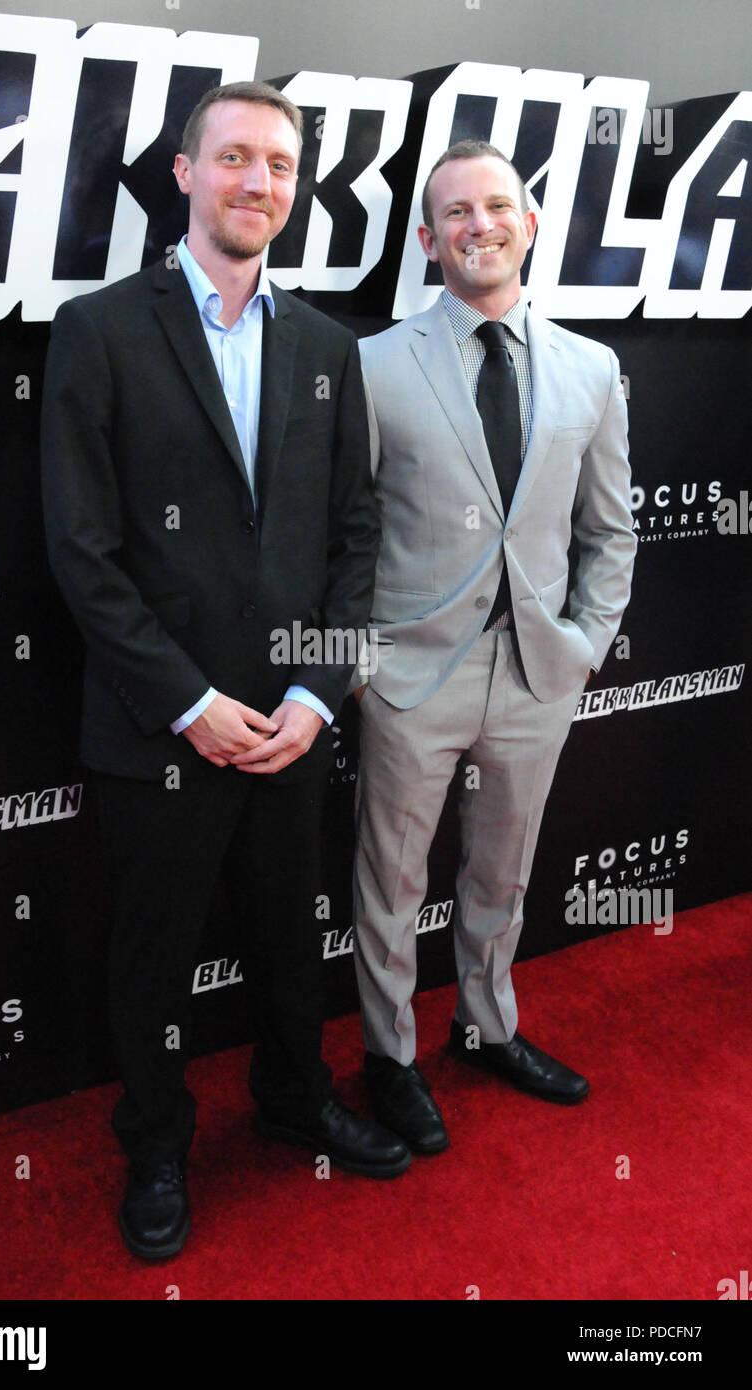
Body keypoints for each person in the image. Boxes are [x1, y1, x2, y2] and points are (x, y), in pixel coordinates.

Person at [41, 81, 410, 1262]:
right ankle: (154, 1143)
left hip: (294, 723)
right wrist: (191, 705)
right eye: (235, 159)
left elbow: (356, 534)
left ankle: (295, 1098)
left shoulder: (325, 346)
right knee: (151, 950)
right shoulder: (100, 329)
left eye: (280, 167)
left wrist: (313, 693)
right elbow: (81, 550)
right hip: (163, 729)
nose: (259, 183)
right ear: (187, 174)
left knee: (285, 933)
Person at [352, 140, 637, 1155]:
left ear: (527, 222)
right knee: (389, 880)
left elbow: (610, 528)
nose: (479, 226)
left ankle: (484, 1027)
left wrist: (583, 643)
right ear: (428, 241)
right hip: (409, 675)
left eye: (496, 207)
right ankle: (389, 1057)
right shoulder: (373, 363)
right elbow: (346, 529)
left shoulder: (590, 369)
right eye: (455, 215)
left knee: (500, 873)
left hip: (536, 676)